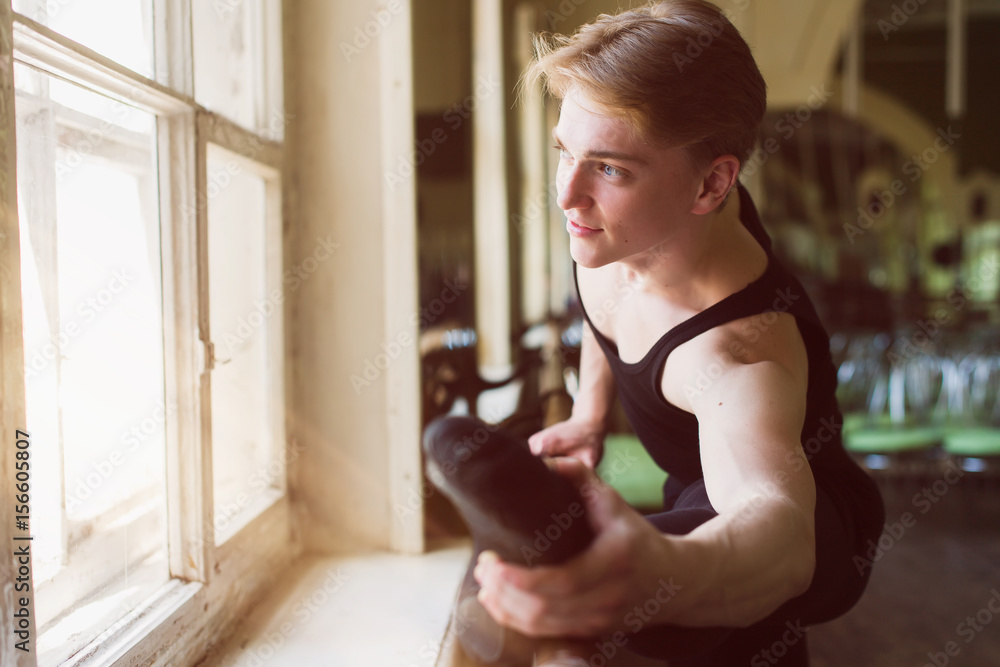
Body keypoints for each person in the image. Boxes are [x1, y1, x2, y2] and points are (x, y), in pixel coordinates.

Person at [440, 2, 887, 665]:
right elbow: (606, 317)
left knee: (666, 583)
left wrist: (660, 579)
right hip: (694, 481)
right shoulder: (617, 228)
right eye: (565, 151)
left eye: (610, 168)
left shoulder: (741, 351)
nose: (567, 193)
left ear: (713, 184)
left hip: (808, 527)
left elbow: (779, 527)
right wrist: (591, 413)